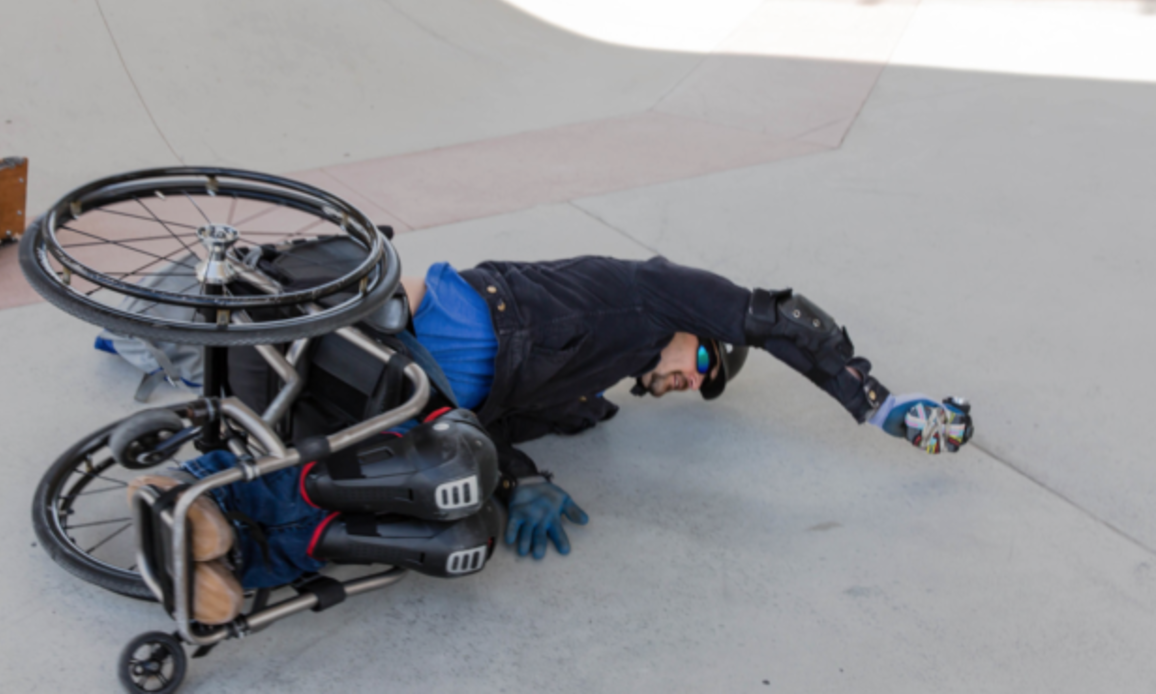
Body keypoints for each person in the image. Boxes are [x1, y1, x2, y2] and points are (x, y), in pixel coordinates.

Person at [129, 256, 973, 624]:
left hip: (435, 396)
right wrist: (878, 404)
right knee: (444, 451)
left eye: (703, 386)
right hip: (415, 330)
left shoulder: (586, 396)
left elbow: (495, 428)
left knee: (461, 518)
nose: (693, 377)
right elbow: (777, 318)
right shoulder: (652, 292)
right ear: (693, 329)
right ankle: (188, 493)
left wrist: (519, 477)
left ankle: (242, 563)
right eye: (703, 361)